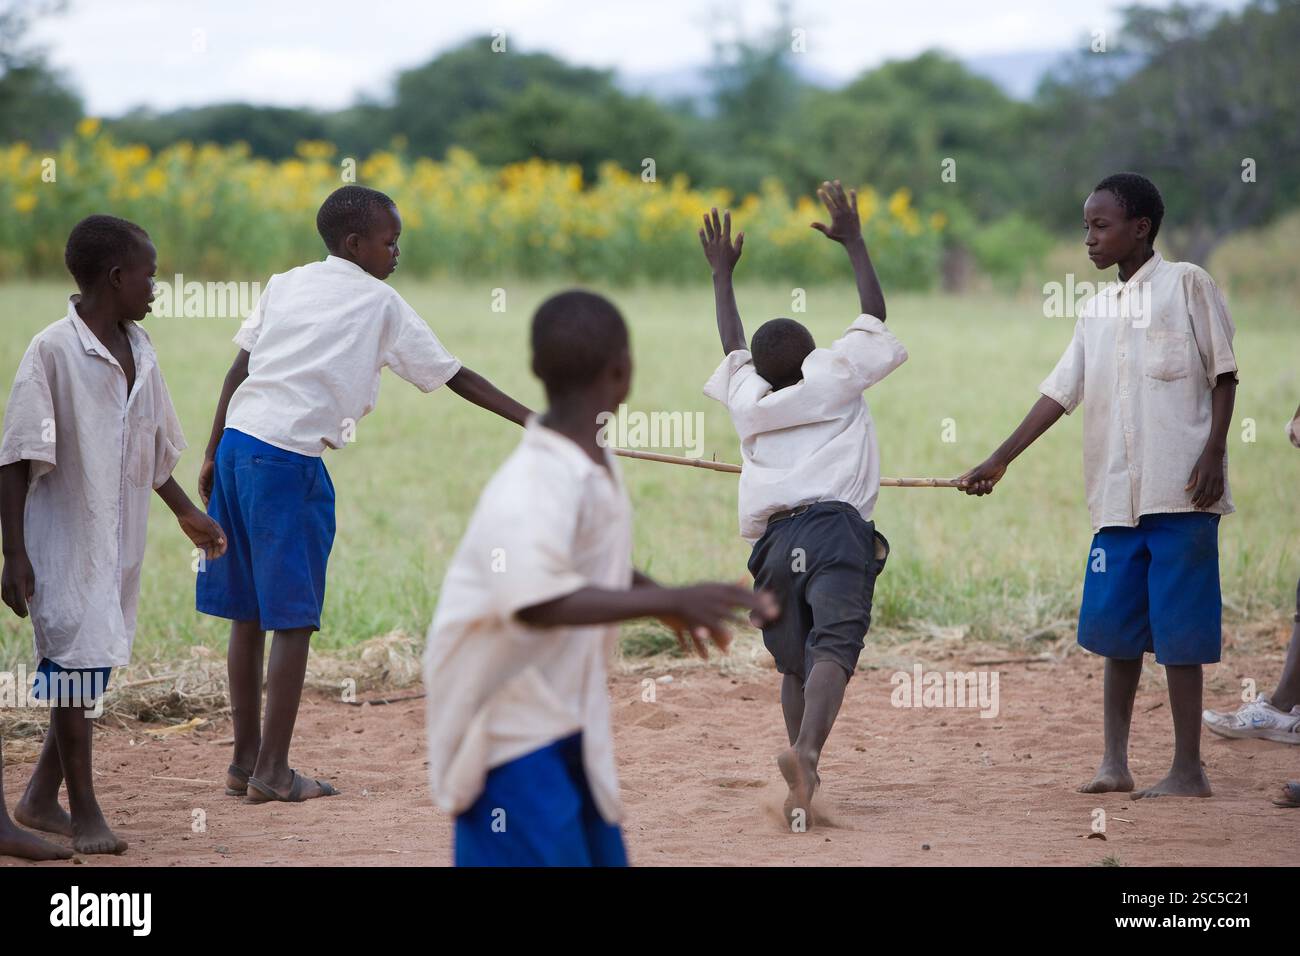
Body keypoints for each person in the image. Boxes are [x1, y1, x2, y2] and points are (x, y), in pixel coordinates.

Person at [196, 185, 531, 803]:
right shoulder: (382, 303)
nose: (397, 251)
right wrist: (535, 421)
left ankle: (244, 764)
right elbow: (455, 375)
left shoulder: (287, 281)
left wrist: (213, 449)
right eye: (390, 240)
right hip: (287, 462)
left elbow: (239, 368)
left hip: (242, 446)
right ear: (356, 244)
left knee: (245, 614)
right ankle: (273, 773)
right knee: (291, 620)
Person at [423, 289, 774, 866]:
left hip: (564, 718)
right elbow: (535, 600)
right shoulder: (535, 480)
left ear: (536, 369)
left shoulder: (589, 456)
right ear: (623, 369)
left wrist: (659, 597)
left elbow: (586, 559)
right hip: (506, 731)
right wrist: (669, 596)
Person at [960, 172, 1238, 799]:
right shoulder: (1095, 310)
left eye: (1101, 225)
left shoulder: (1187, 284)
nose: (1088, 238)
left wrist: (1215, 451)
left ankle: (1188, 769)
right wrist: (1000, 458)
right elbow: (1061, 393)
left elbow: (1224, 374)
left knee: (1180, 634)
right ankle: (1114, 762)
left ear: (1140, 228)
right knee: (1117, 633)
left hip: (1181, 493)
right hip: (1116, 500)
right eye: (1086, 226)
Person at [0, 214, 226, 857]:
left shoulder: (141, 350)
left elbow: (151, 449)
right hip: (65, 540)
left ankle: (41, 797)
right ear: (116, 276)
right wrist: (13, 552)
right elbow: (15, 457)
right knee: (74, 662)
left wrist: (186, 511)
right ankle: (85, 807)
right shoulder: (52, 351)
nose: (157, 286)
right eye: (150, 275)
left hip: (118, 540)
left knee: (90, 662)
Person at [700, 182, 907, 828]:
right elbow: (873, 313)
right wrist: (853, 241)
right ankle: (808, 755)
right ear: (813, 352)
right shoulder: (835, 373)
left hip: (772, 545)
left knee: (794, 661)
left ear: (758, 369)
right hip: (836, 532)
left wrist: (721, 277)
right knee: (833, 648)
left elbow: (732, 344)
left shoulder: (745, 398)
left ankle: (803, 782)